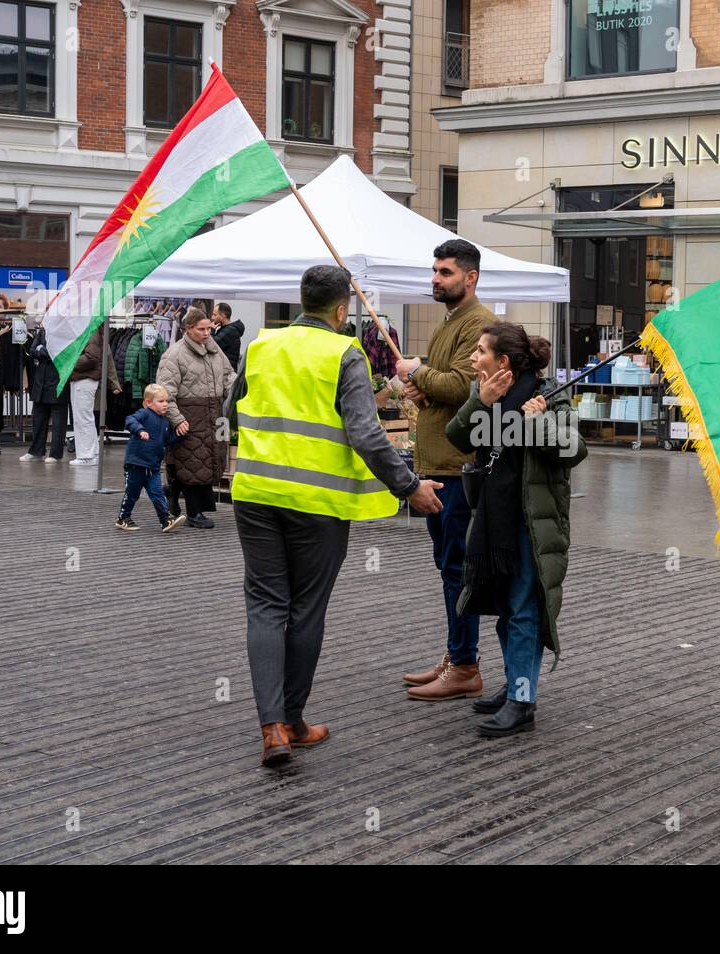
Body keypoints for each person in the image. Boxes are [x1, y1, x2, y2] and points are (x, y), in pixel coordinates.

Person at [226, 265, 445, 766]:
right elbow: (367, 435)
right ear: (343, 310)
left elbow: (231, 408)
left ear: (301, 300)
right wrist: (409, 487)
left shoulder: (261, 346)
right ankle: (293, 720)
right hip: (317, 503)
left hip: (255, 493)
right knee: (305, 610)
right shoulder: (344, 353)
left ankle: (272, 729)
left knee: (265, 606)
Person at [444, 322, 587, 735]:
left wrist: (535, 422)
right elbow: (458, 436)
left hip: (531, 522)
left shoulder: (549, 397)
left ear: (502, 361)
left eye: (480, 351)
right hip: (494, 519)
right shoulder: (483, 391)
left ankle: (523, 701)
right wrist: (480, 405)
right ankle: (515, 681)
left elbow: (574, 449)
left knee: (523, 610)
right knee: (506, 608)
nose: (473, 358)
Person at [396, 239, 495, 701]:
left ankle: (465, 664)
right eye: (434, 271)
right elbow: (446, 386)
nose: (435, 279)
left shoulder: (480, 323)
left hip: (458, 468)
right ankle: (457, 654)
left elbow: (462, 385)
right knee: (448, 566)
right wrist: (422, 387)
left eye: (445, 272)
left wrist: (416, 371)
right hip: (439, 463)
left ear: (470, 278)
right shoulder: (453, 320)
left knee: (457, 567)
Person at [156, 306, 235, 528]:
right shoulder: (174, 355)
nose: (207, 333)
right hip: (189, 417)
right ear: (189, 328)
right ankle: (195, 512)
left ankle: (172, 492)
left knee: (205, 461)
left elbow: (227, 375)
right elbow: (164, 393)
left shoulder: (215, 350)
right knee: (193, 462)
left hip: (214, 415)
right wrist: (178, 419)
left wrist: (236, 388)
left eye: (209, 328)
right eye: (202, 329)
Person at [117, 384, 186, 533]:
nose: (165, 404)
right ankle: (123, 518)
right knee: (132, 494)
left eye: (166, 401)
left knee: (157, 494)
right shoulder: (144, 413)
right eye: (161, 401)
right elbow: (130, 420)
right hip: (135, 464)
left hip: (153, 467)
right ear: (148, 403)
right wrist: (140, 430)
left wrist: (179, 435)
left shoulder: (165, 421)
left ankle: (165, 520)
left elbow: (166, 440)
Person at [68, 328, 123, 466]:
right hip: (86, 378)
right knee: (85, 418)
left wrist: (70, 363)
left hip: (84, 378)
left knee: (83, 418)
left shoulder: (90, 332)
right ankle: (91, 454)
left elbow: (91, 358)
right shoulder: (94, 332)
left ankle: (86, 456)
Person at [19, 322, 69, 463]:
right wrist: (43, 351)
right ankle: (36, 451)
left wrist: (43, 350)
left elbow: (60, 352)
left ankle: (55, 454)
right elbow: (33, 350)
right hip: (40, 380)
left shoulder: (67, 329)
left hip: (58, 378)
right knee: (38, 419)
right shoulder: (43, 330)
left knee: (59, 421)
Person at [211, 302, 244, 370]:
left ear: (223, 316)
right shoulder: (226, 329)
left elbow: (212, 346)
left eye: (215, 315)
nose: (212, 317)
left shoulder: (230, 331)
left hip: (227, 371)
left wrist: (212, 330)